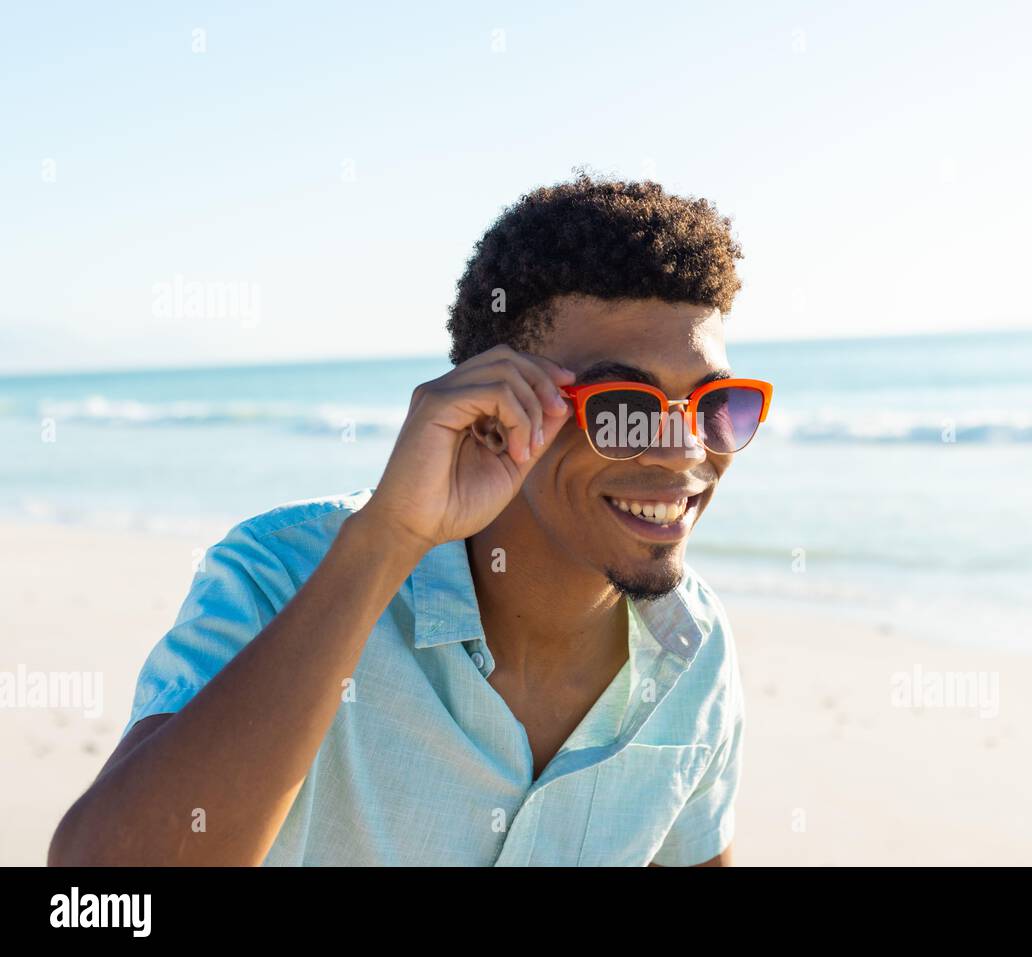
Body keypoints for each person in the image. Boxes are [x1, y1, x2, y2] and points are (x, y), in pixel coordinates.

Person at [48, 172, 772, 866]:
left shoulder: (694, 651)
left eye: (716, 407)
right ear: (495, 412)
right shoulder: (276, 578)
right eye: (624, 409)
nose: (684, 449)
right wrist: (389, 538)